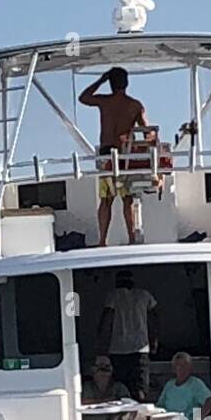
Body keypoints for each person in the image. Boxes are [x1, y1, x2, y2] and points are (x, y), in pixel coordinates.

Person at [79, 67, 148, 247]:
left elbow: (83, 97)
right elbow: (147, 132)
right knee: (127, 198)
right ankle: (132, 239)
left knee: (106, 199)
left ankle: (103, 240)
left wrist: (100, 80)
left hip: (107, 154)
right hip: (126, 154)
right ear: (127, 83)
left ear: (110, 83)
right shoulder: (135, 105)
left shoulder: (105, 102)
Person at [97, 269, 158, 402]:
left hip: (117, 349)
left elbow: (107, 321)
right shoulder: (145, 295)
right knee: (140, 388)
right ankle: (140, 417)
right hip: (140, 348)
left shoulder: (113, 296)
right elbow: (153, 320)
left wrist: (101, 346)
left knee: (120, 388)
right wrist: (154, 342)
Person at [156, 352, 211, 420]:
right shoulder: (169, 385)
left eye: (185, 365)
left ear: (190, 368)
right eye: (178, 365)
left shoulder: (195, 384)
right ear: (173, 369)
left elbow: (210, 400)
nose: (181, 368)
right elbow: (160, 406)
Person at [81, 354, 132, 420]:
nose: (103, 369)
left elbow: (129, 405)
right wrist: (109, 400)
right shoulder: (85, 387)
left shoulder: (119, 387)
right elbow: (82, 402)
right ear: (92, 369)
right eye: (100, 366)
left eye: (107, 366)